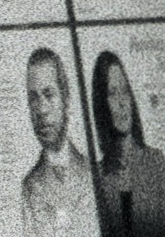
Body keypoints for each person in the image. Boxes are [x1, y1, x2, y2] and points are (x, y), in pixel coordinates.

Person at [23, 46, 102, 237]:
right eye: (33, 98)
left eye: (49, 95)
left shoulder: (95, 173)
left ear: (66, 99)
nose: (41, 109)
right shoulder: (30, 186)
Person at [99, 50, 165, 237]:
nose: (122, 102)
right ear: (102, 104)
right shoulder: (98, 176)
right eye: (112, 93)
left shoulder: (156, 162)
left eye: (125, 90)